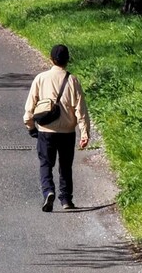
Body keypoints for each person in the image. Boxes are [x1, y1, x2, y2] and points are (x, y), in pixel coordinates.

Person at [23, 44, 92, 212]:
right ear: (68, 60)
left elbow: (30, 106)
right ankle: (66, 199)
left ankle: (48, 191)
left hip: (46, 130)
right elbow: (81, 109)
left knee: (46, 164)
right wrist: (84, 133)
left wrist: (30, 126)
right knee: (66, 166)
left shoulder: (41, 78)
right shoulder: (73, 80)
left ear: (51, 59)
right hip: (67, 132)